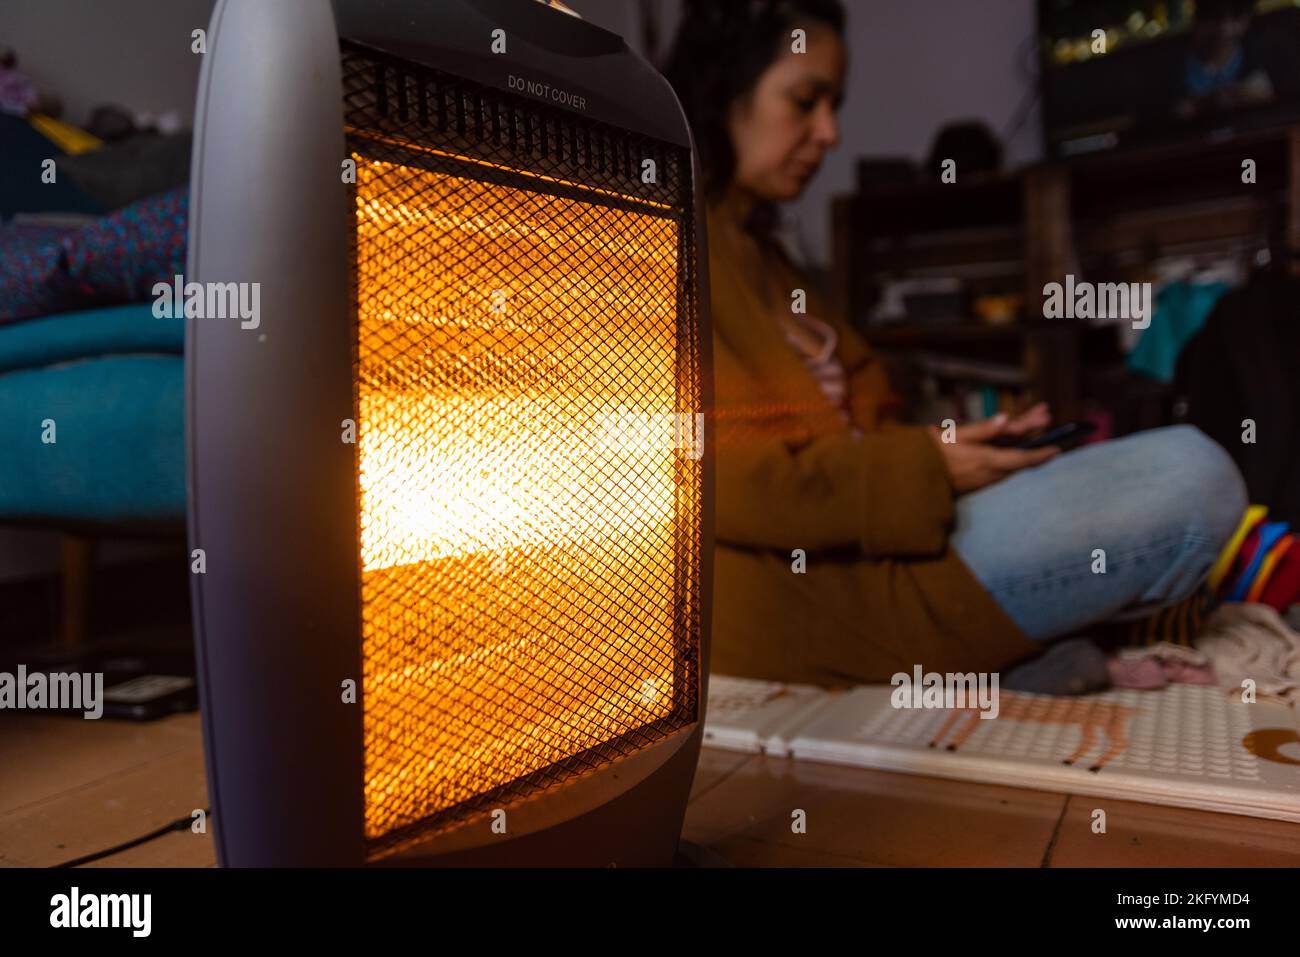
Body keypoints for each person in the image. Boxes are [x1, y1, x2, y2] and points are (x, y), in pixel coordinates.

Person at [662, 0, 1249, 687]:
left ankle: (1022, 655)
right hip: (822, 579)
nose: (829, 132)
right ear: (723, 90)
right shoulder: (666, 247)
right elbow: (723, 485)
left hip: (892, 531)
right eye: (805, 101)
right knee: (1194, 476)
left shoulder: (768, 255)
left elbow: (863, 432)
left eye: (835, 105)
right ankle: (996, 654)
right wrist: (930, 469)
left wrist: (969, 450)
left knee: (1149, 461)